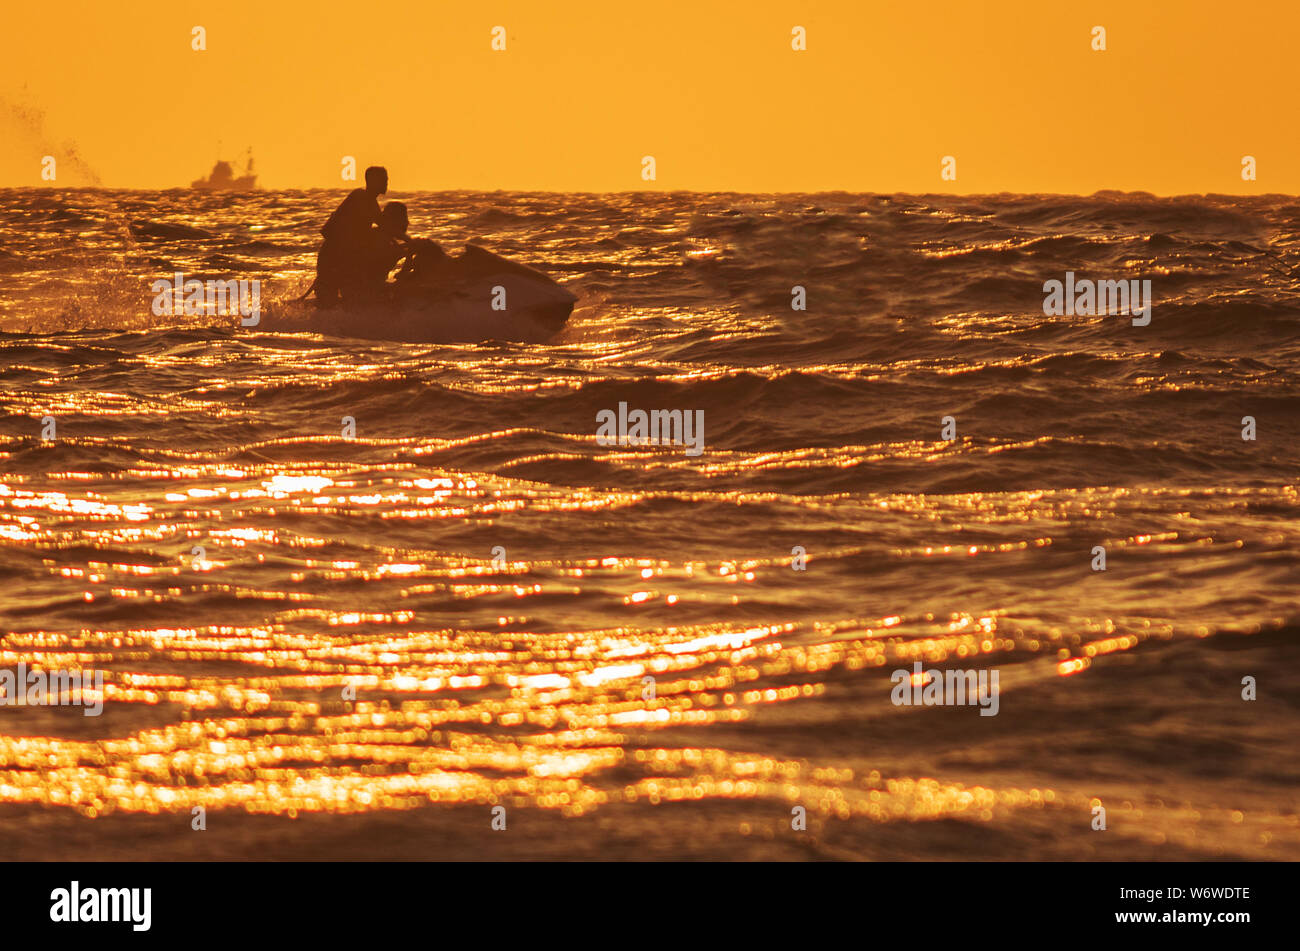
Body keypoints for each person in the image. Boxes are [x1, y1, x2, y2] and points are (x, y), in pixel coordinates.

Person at [310, 165, 387, 305]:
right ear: (373, 180)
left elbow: (385, 228)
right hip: (332, 255)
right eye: (384, 179)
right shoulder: (361, 197)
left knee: (346, 298)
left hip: (343, 257)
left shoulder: (370, 202)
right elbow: (386, 227)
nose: (387, 182)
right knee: (328, 300)